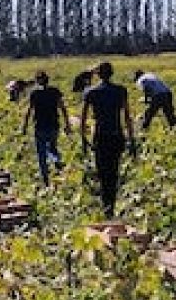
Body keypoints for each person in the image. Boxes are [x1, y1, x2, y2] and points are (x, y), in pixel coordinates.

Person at [79, 62, 136, 216]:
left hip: (100, 136)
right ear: (112, 73)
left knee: (102, 172)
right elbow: (127, 117)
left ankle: (107, 207)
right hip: (116, 134)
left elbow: (83, 118)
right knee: (114, 172)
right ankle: (111, 204)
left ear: (98, 75)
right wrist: (131, 138)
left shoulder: (91, 92)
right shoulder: (121, 91)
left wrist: (83, 138)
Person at [21, 71, 69, 185]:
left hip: (40, 127)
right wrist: (67, 124)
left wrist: (24, 126)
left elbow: (29, 111)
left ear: (37, 81)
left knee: (41, 154)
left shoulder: (35, 93)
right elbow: (63, 108)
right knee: (53, 148)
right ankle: (58, 167)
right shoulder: (55, 91)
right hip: (53, 126)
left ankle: (46, 179)